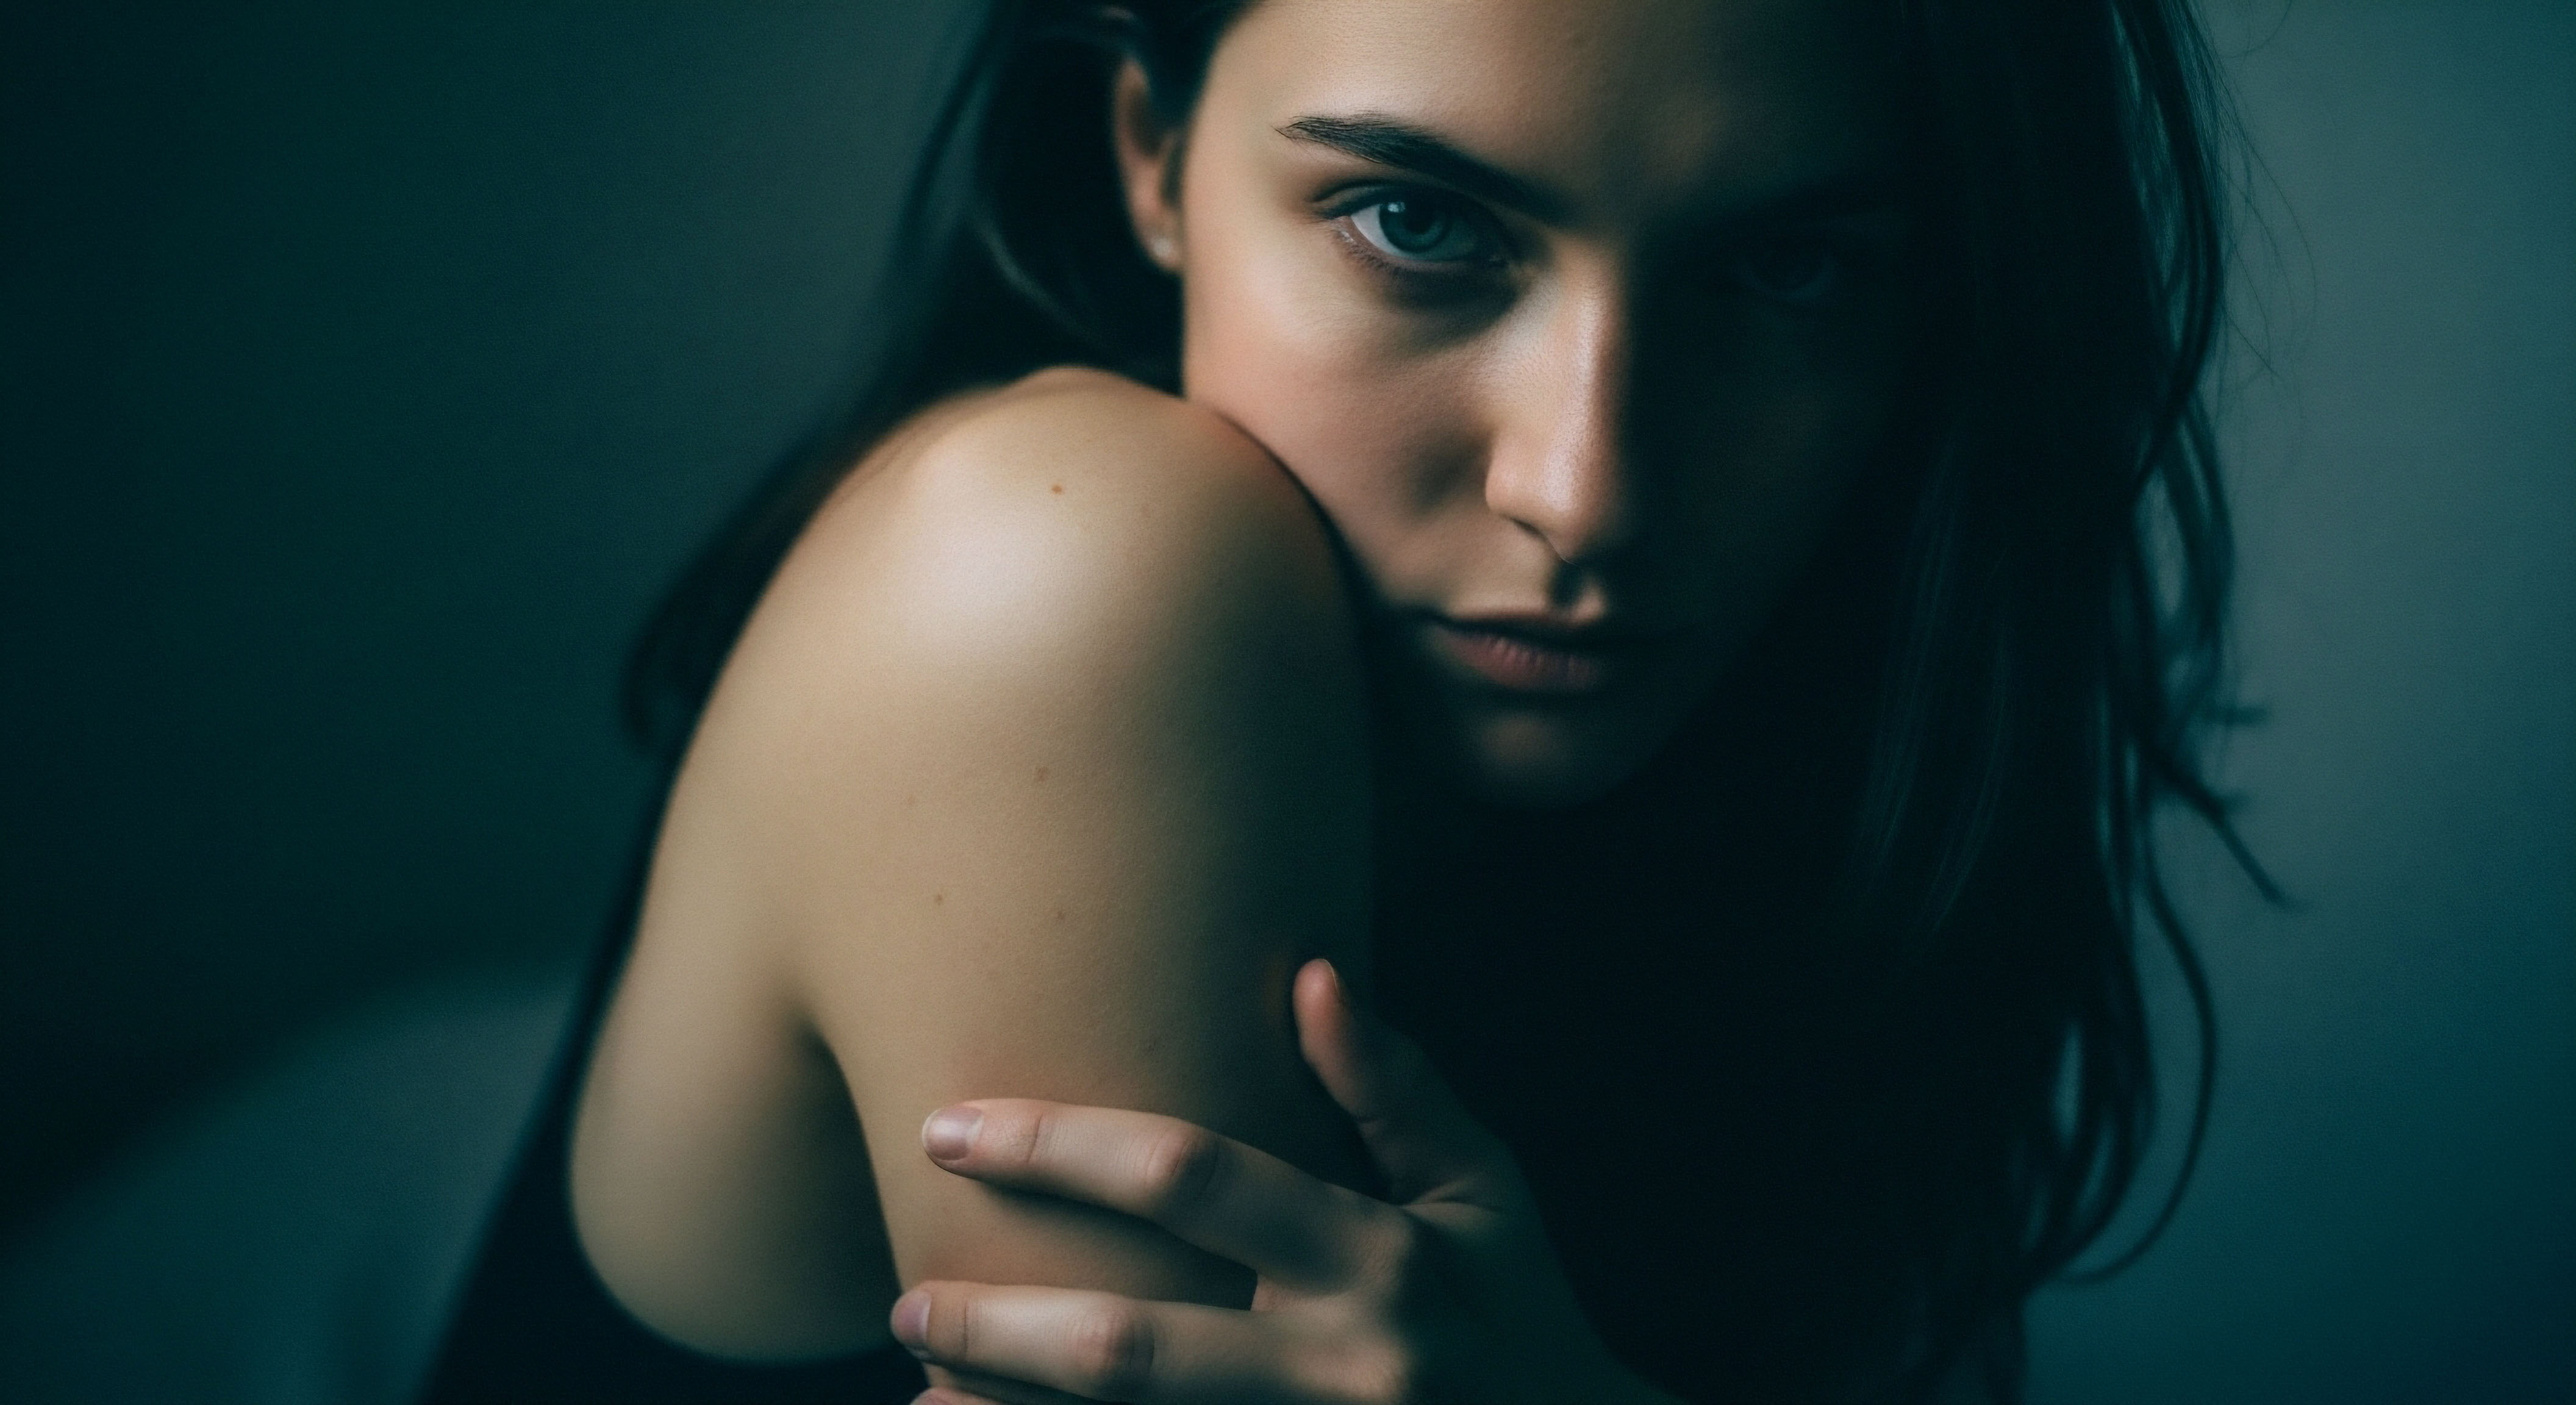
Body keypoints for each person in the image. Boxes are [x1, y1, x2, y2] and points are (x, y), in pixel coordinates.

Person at [425, 0, 2257, 1401]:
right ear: (1150, 153)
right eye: (1416, 223)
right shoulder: (1070, 560)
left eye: (1785, 267)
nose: (1586, 488)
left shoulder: (1839, 746)